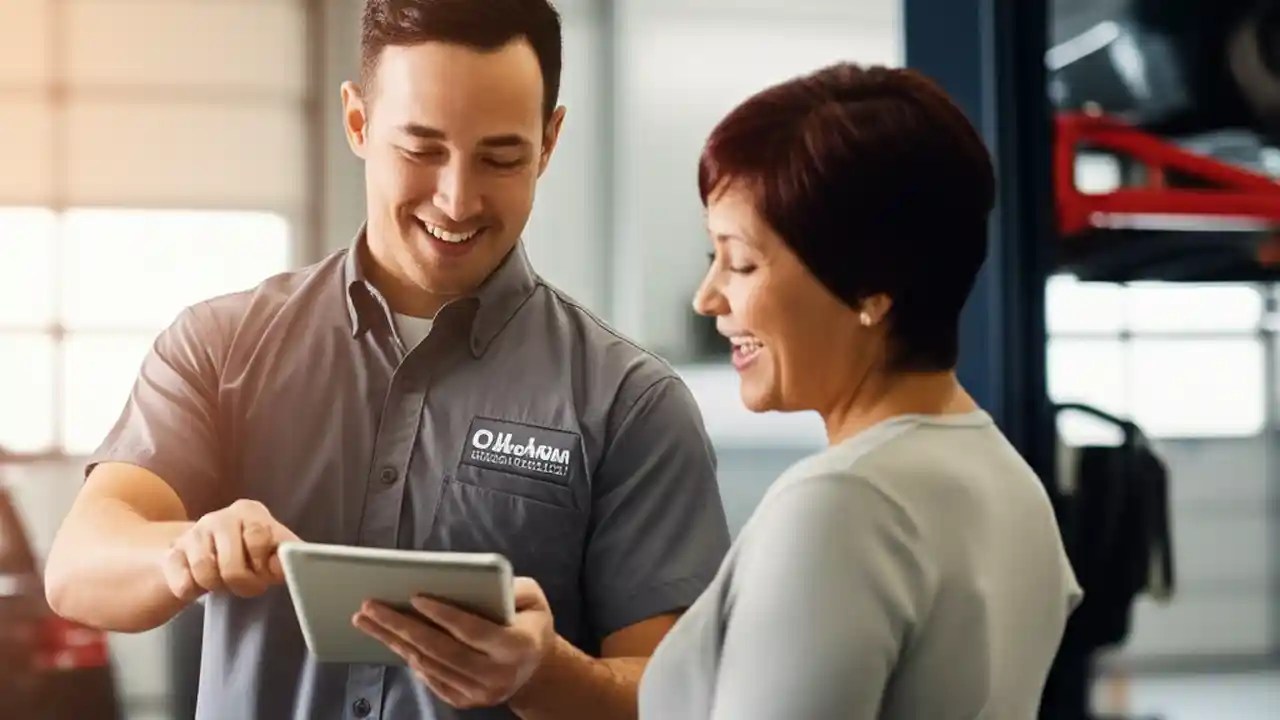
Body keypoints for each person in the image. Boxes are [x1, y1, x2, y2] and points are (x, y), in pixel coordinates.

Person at [43, 1, 730, 718]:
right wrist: (185, 551)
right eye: (421, 150)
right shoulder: (220, 348)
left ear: (550, 141)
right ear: (358, 123)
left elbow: (679, 697)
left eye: (500, 157)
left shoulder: (629, 404)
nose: (457, 199)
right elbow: (78, 568)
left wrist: (544, 673)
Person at [638, 63, 1083, 719]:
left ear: (870, 287)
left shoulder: (841, 505)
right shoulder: (1009, 484)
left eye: (741, 262)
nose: (708, 298)